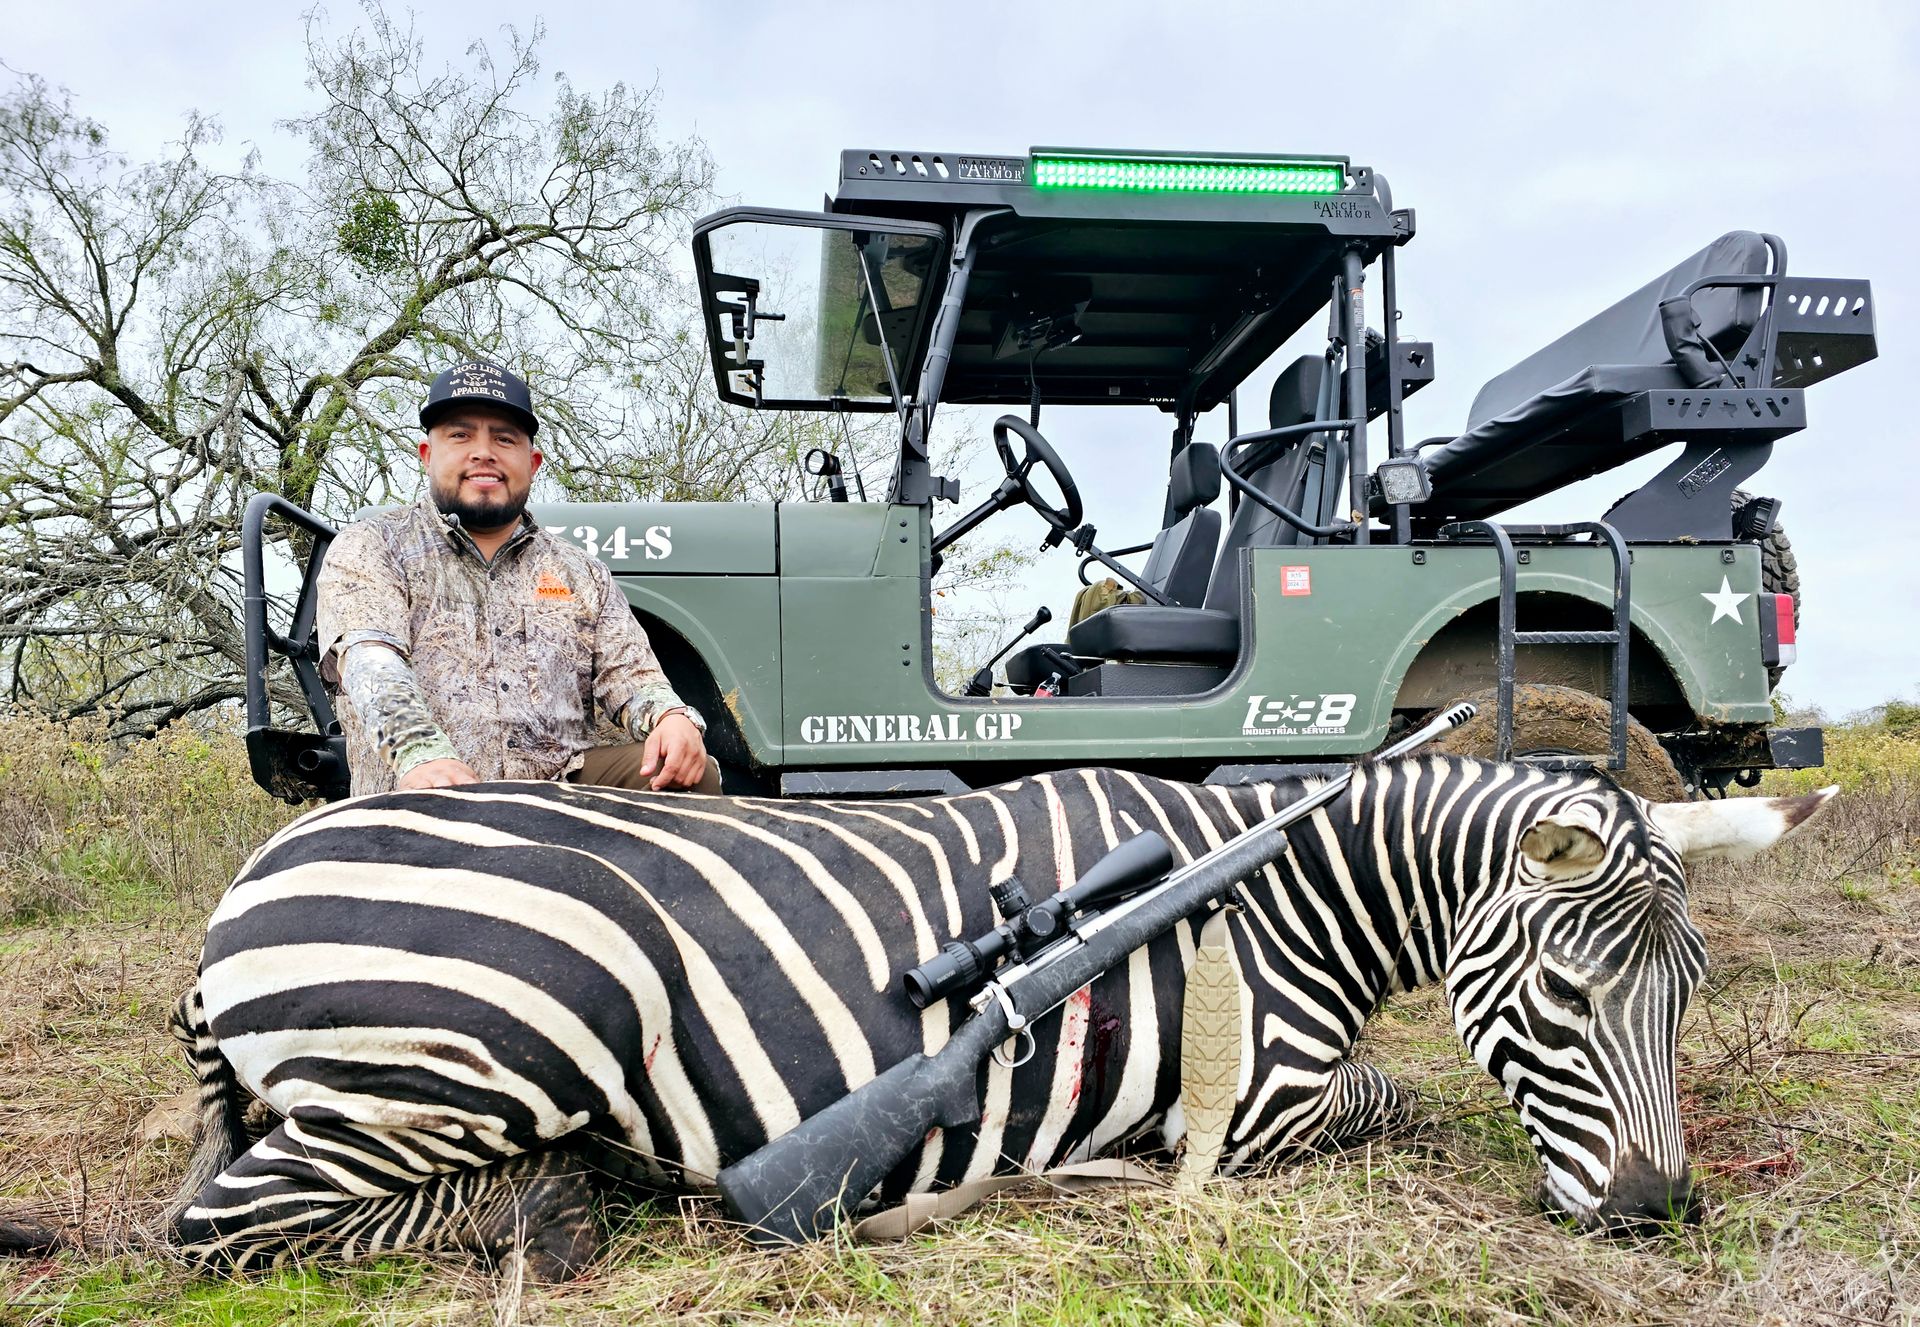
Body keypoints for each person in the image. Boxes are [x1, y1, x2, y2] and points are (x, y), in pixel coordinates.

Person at [315, 360, 718, 796]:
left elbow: (634, 677)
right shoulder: (372, 545)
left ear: (533, 462)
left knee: (692, 771)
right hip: (424, 790)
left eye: (504, 438)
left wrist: (672, 718)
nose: (483, 451)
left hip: (560, 789)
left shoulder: (582, 573)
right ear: (427, 456)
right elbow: (372, 661)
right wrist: (422, 755)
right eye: (460, 435)